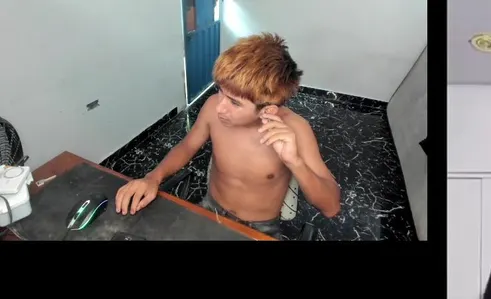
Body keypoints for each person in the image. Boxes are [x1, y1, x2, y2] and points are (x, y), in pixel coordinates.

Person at [114, 33, 341, 238]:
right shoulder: (213, 107)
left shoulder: (296, 130)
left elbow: (331, 207)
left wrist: (295, 162)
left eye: (234, 103)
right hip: (209, 209)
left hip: (259, 227)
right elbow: (188, 145)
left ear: (268, 110)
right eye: (220, 91)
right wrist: (153, 177)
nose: (220, 107)